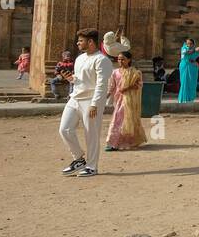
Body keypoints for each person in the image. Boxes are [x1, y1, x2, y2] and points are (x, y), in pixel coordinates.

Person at [58, 28, 112, 178]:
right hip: (75, 98)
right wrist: (71, 79)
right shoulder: (80, 58)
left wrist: (95, 104)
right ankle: (78, 159)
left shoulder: (102, 60)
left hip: (91, 101)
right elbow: (81, 79)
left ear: (90, 42)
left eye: (81, 40)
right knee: (65, 129)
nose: (77, 43)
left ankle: (92, 166)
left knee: (91, 134)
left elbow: (102, 84)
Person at [104, 51, 147, 152]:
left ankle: (114, 143)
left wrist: (127, 88)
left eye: (123, 59)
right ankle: (116, 142)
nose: (120, 61)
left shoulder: (135, 72)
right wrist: (105, 96)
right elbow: (112, 86)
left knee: (119, 120)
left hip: (130, 100)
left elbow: (139, 85)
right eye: (119, 59)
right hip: (118, 100)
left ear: (129, 60)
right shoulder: (115, 72)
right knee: (120, 119)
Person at [177, 37, 199, 103]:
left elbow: (194, 57)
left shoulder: (194, 49)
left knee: (191, 83)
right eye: (188, 43)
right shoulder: (184, 48)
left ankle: (190, 99)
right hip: (185, 67)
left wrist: (194, 61)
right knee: (185, 82)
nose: (189, 45)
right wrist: (195, 50)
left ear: (193, 44)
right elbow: (187, 53)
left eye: (191, 44)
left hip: (192, 68)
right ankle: (183, 99)